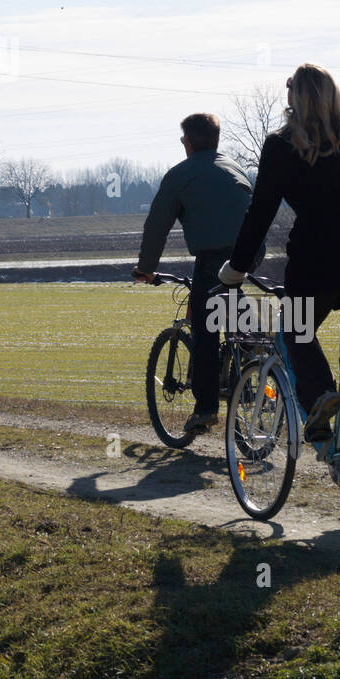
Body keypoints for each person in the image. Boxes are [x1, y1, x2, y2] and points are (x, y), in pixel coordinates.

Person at [218, 63, 340, 443]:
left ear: (292, 99)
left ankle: (321, 399)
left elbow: (261, 213)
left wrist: (236, 268)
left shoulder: (281, 145)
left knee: (293, 331)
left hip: (318, 262)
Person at [133, 112, 264, 438]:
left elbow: (157, 226)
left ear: (188, 142)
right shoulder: (235, 168)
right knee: (230, 299)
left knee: (206, 331)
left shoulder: (180, 175)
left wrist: (146, 268)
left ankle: (205, 409)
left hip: (213, 256)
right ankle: (252, 347)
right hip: (251, 254)